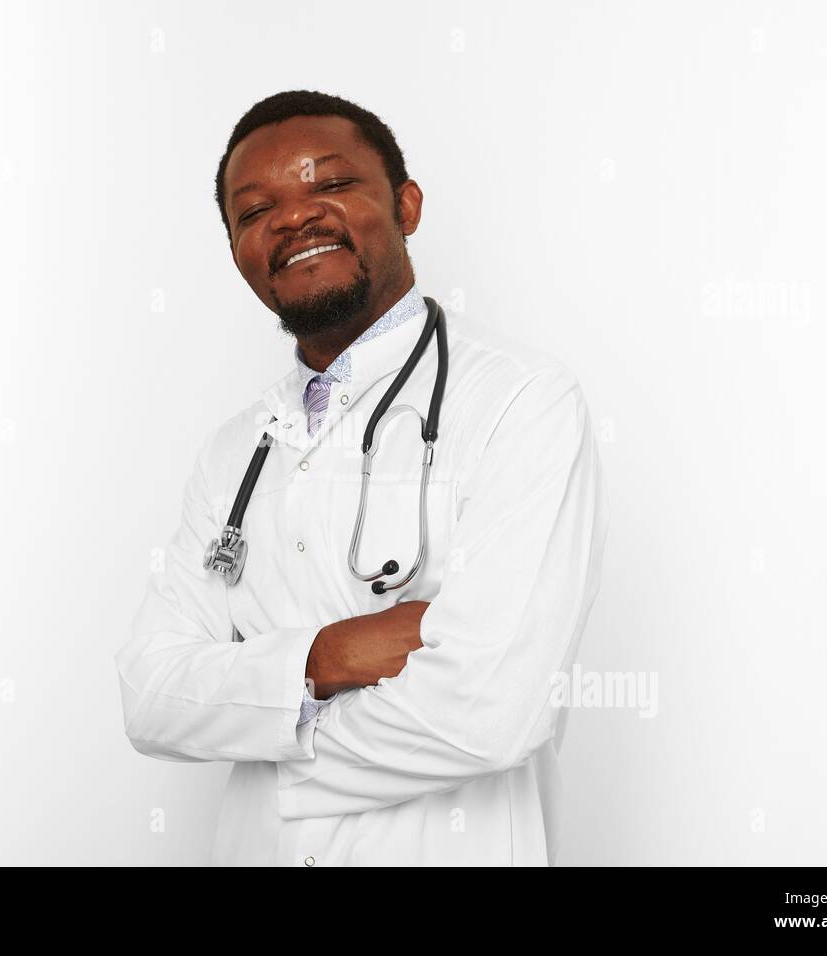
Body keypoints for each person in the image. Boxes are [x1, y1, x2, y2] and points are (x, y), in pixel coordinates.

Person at [113, 90, 610, 866]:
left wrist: (269, 745)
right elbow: (150, 697)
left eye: (331, 186)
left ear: (406, 204)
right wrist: (329, 655)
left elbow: (492, 711)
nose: (292, 219)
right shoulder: (233, 453)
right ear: (239, 251)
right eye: (254, 211)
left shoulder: (520, 401)